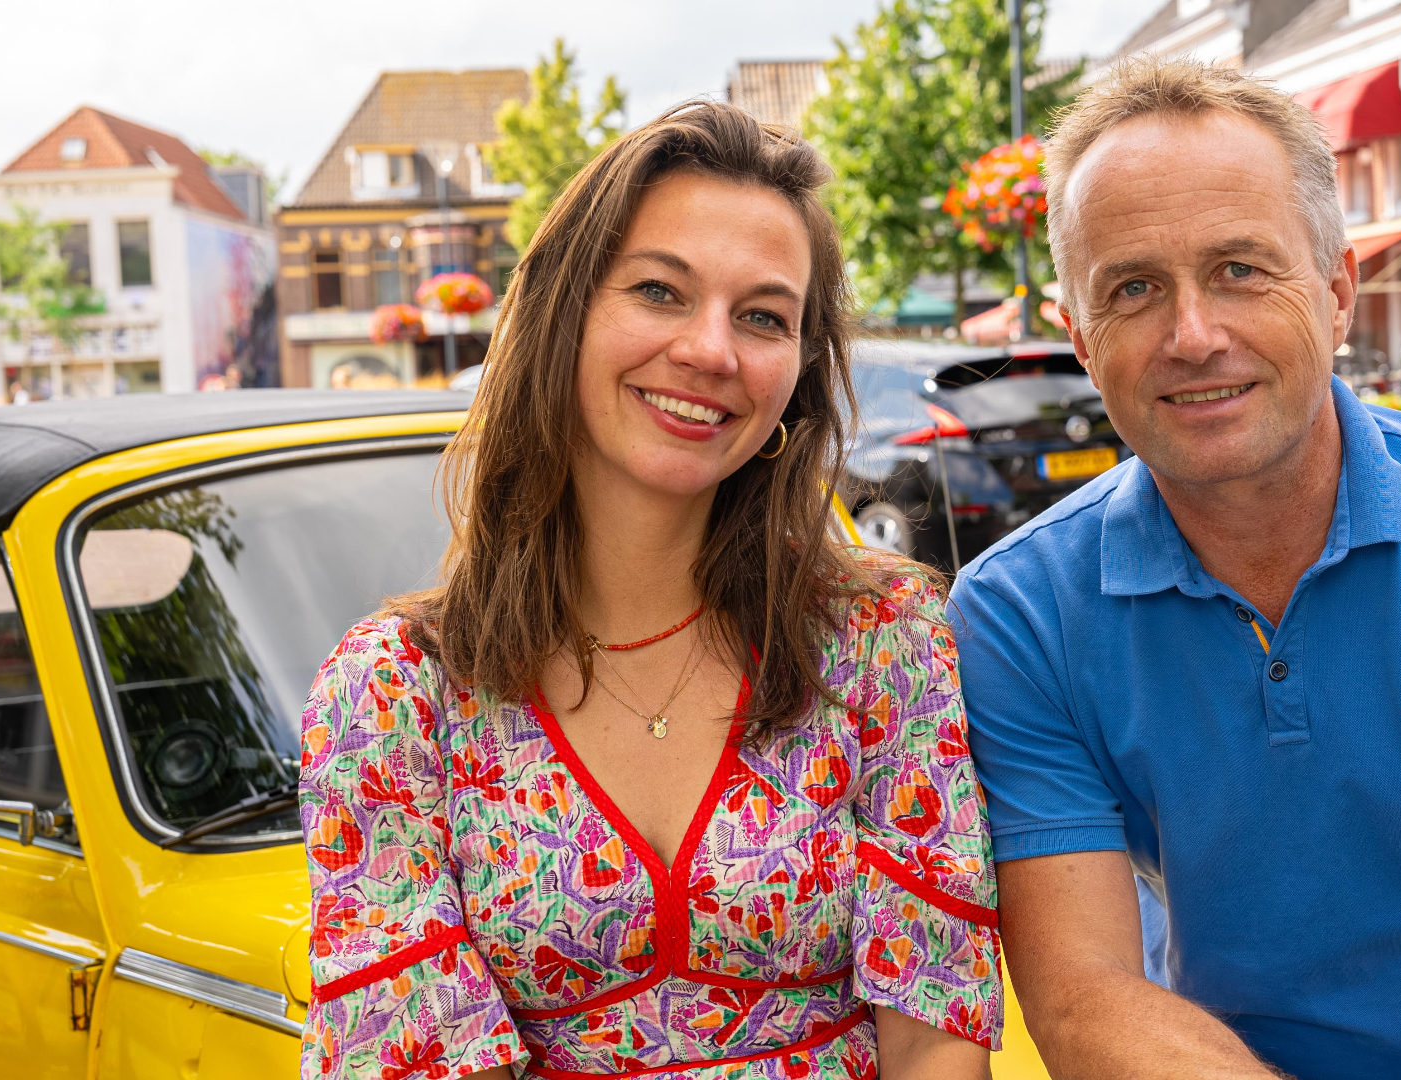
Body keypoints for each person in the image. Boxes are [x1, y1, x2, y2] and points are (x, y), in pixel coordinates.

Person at [953, 56, 1401, 1080]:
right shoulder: (1016, 614)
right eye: (1133, 289)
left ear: (1339, 294)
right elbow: (1084, 996)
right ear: (1080, 338)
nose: (1193, 336)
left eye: (1240, 270)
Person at [299, 102, 1002, 1080]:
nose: (712, 350)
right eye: (660, 291)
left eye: (763, 316)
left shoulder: (883, 641)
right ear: (563, 314)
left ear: (796, 374)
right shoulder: (394, 698)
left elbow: (933, 1038)